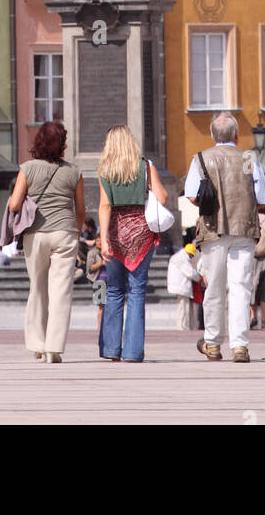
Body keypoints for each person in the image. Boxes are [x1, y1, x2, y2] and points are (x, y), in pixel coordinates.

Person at [184, 111, 265, 362]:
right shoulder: (247, 158)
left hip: (212, 229)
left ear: (212, 135)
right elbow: (262, 195)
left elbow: (191, 195)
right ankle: (239, 345)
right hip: (243, 229)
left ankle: (212, 343)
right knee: (241, 287)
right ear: (236, 134)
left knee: (214, 287)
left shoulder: (201, 158)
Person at [8, 120, 84, 363]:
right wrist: (77, 231)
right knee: (61, 291)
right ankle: (54, 348)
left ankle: (37, 344)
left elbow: (15, 204)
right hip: (66, 232)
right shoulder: (74, 171)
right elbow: (80, 209)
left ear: (39, 141)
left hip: (36, 233)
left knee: (38, 287)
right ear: (62, 144)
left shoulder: (27, 168)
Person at [98, 125, 166, 364]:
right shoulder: (145, 166)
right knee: (137, 292)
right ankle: (133, 353)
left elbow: (105, 206)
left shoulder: (105, 170)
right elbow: (163, 197)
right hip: (142, 235)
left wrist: (104, 239)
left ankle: (111, 349)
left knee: (114, 290)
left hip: (115, 235)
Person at [167, 240, 203, 330]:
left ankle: (183, 325)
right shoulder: (182, 258)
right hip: (181, 286)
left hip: (179, 286)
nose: (191, 257)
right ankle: (182, 327)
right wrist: (199, 278)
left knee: (183, 307)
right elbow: (190, 272)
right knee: (183, 308)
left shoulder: (179, 256)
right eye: (191, 255)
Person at [86, 234, 107, 331]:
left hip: (110, 281)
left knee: (110, 306)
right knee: (101, 307)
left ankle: (107, 327)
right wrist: (101, 263)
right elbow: (89, 269)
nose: (99, 243)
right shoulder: (92, 253)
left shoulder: (107, 251)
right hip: (99, 281)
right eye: (98, 241)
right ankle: (99, 327)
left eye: (101, 240)